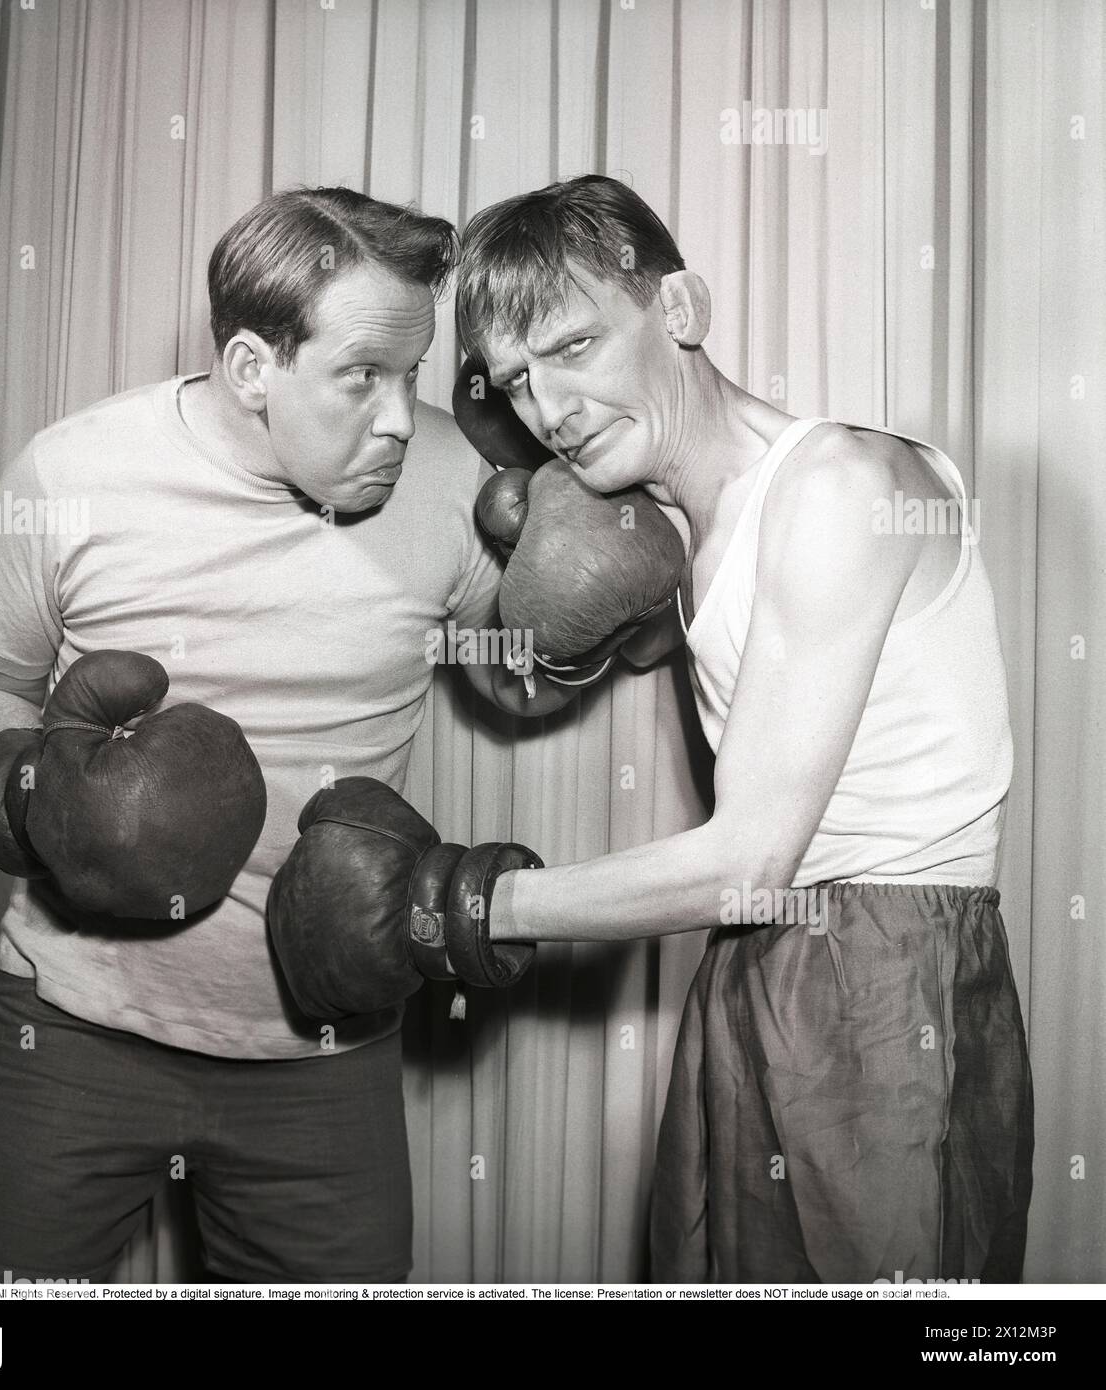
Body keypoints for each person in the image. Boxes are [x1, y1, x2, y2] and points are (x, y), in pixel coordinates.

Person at [0, 186, 572, 1285]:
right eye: (360, 375)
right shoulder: (71, 474)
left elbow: (518, 684)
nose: (396, 417)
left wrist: (590, 611)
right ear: (249, 367)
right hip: (74, 1031)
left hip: (325, 1051)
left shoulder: (448, 481)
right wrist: (37, 792)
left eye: (412, 374)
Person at [453, 174, 1034, 1282]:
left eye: (575, 347)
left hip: (884, 973)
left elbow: (746, 856)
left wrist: (484, 902)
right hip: (749, 966)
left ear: (678, 311)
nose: (550, 409)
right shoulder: (670, 536)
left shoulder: (838, 486)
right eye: (520, 381)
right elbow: (512, 687)